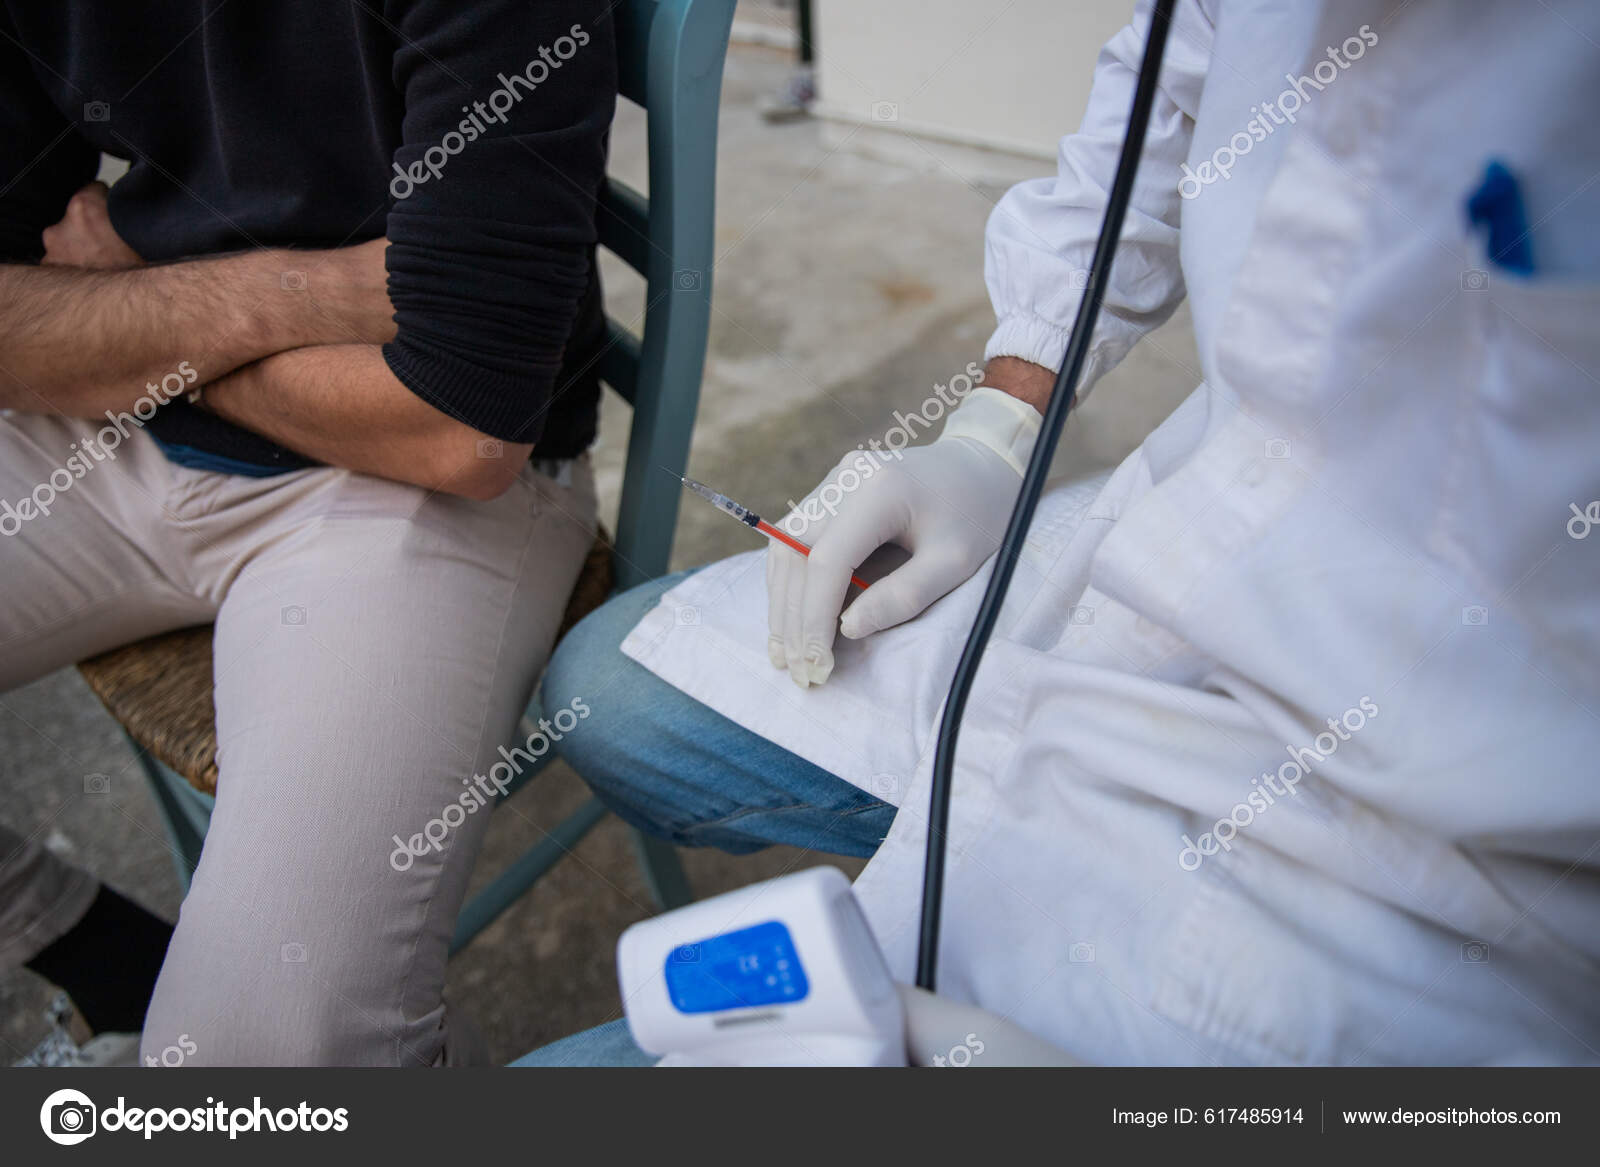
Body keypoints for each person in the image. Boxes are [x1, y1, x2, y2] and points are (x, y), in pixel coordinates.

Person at [541, 0, 1600, 1063]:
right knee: (610, 690)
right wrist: (998, 427)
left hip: (1444, 844)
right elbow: (1156, 104)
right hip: (1170, 567)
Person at [1, 0, 616, 1065]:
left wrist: (130, 310)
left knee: (258, 1059)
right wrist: (299, 294)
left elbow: (456, 429)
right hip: (107, 440)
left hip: (411, 493)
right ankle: (100, 955)